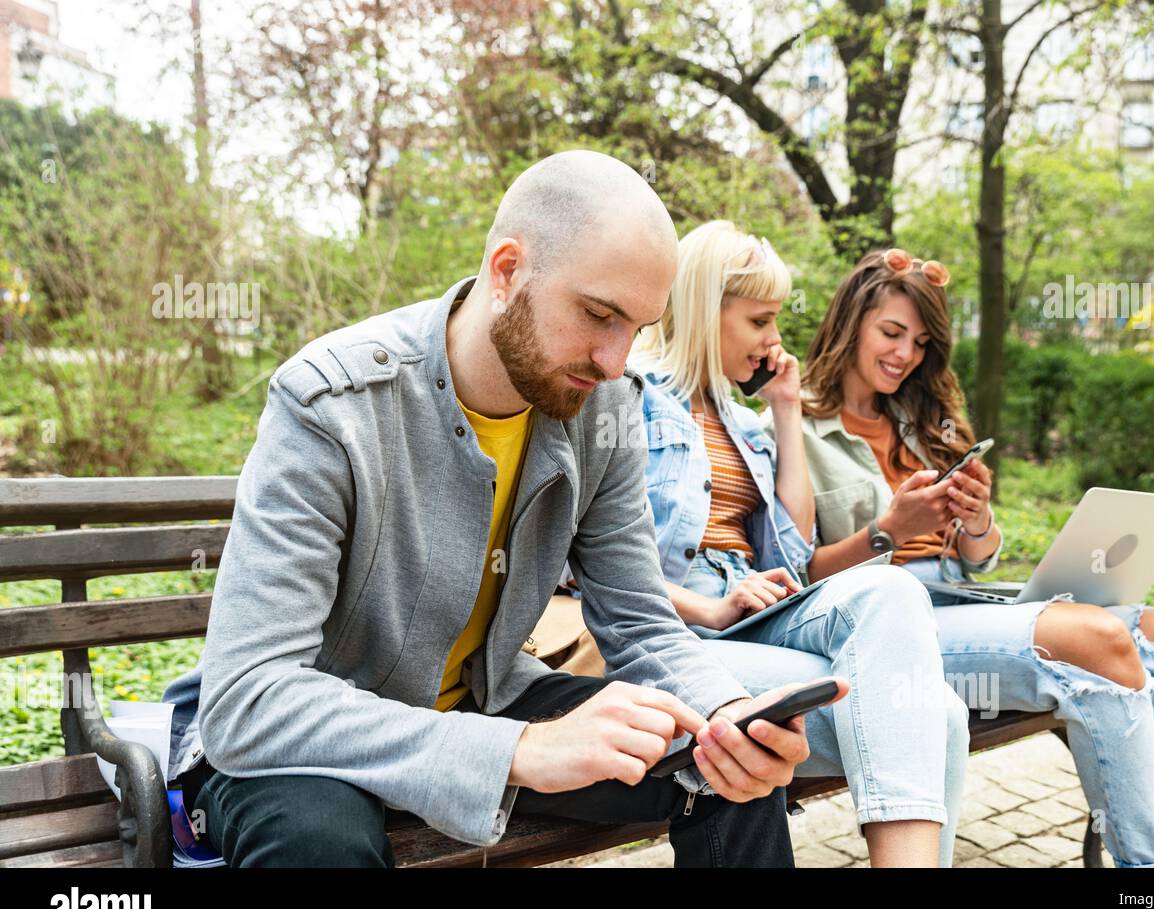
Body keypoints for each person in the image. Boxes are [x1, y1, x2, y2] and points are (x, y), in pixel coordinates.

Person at [160, 151, 842, 868]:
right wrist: (518, 749)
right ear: (507, 270)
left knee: (721, 769)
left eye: (637, 327)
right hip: (311, 736)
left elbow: (643, 626)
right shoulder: (333, 405)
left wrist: (729, 713)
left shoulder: (604, 407)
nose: (615, 360)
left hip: (483, 705)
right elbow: (251, 699)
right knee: (318, 842)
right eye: (599, 314)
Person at [793, 247, 1154, 868]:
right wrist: (888, 533)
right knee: (1099, 641)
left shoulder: (920, 420)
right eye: (891, 333)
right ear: (849, 325)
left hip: (964, 598)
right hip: (886, 626)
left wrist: (977, 521)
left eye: (921, 342)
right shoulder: (794, 429)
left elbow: (974, 559)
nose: (905, 355)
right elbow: (795, 577)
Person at [628, 221, 969, 867]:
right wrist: (710, 606)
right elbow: (583, 564)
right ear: (706, 310)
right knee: (937, 714)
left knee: (897, 605)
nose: (774, 338)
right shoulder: (629, 397)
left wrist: (785, 408)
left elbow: (791, 556)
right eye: (760, 319)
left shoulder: (741, 420)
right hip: (677, 627)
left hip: (756, 610)